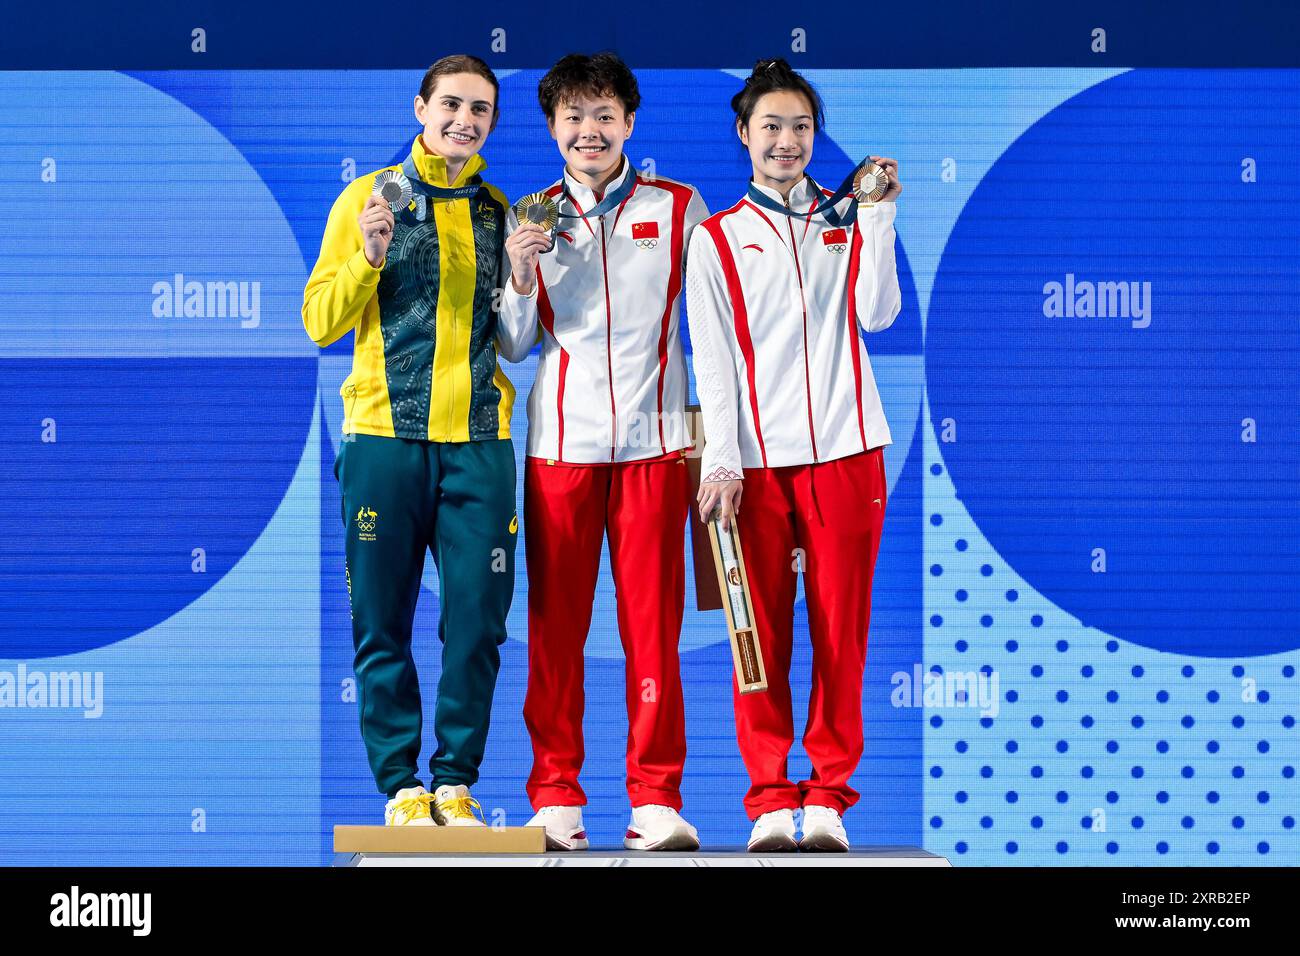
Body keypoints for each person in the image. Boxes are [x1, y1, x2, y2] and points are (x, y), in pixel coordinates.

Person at [685, 57, 902, 852]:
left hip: (849, 452)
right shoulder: (716, 239)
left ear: (817, 136)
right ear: (744, 134)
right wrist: (721, 460)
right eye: (771, 126)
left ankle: (829, 801)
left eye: (801, 127)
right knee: (757, 635)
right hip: (755, 465)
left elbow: (877, 317)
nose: (787, 141)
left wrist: (877, 220)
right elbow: (713, 357)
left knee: (842, 631)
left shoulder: (844, 219)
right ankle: (771, 797)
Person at [497, 52, 710, 851]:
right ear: (553, 127)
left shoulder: (681, 208)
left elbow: (718, 330)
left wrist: (709, 440)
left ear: (630, 122)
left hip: (655, 448)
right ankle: (556, 793)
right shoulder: (529, 215)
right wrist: (519, 274)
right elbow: (516, 346)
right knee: (555, 630)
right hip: (562, 448)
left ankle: (655, 798)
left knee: (653, 629)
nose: (590, 131)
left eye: (605, 115)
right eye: (574, 117)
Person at [302, 54, 519, 829]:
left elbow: (516, 335)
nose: (465, 120)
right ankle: (401, 788)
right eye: (451, 104)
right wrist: (366, 257)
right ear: (420, 107)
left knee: (478, 622)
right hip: (383, 444)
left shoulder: (501, 212)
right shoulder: (365, 199)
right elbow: (320, 320)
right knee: (381, 621)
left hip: (479, 446)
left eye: (482, 110)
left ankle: (456, 783)